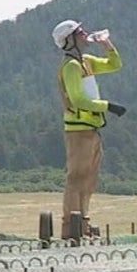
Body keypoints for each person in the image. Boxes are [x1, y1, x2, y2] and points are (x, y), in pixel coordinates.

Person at [52, 19, 126, 240]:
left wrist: (107, 45)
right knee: (77, 178)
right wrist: (108, 106)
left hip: (92, 127)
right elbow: (78, 100)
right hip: (78, 129)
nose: (85, 34)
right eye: (80, 32)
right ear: (70, 40)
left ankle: (83, 223)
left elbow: (115, 65)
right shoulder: (71, 66)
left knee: (89, 179)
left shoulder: (85, 61)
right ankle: (70, 226)